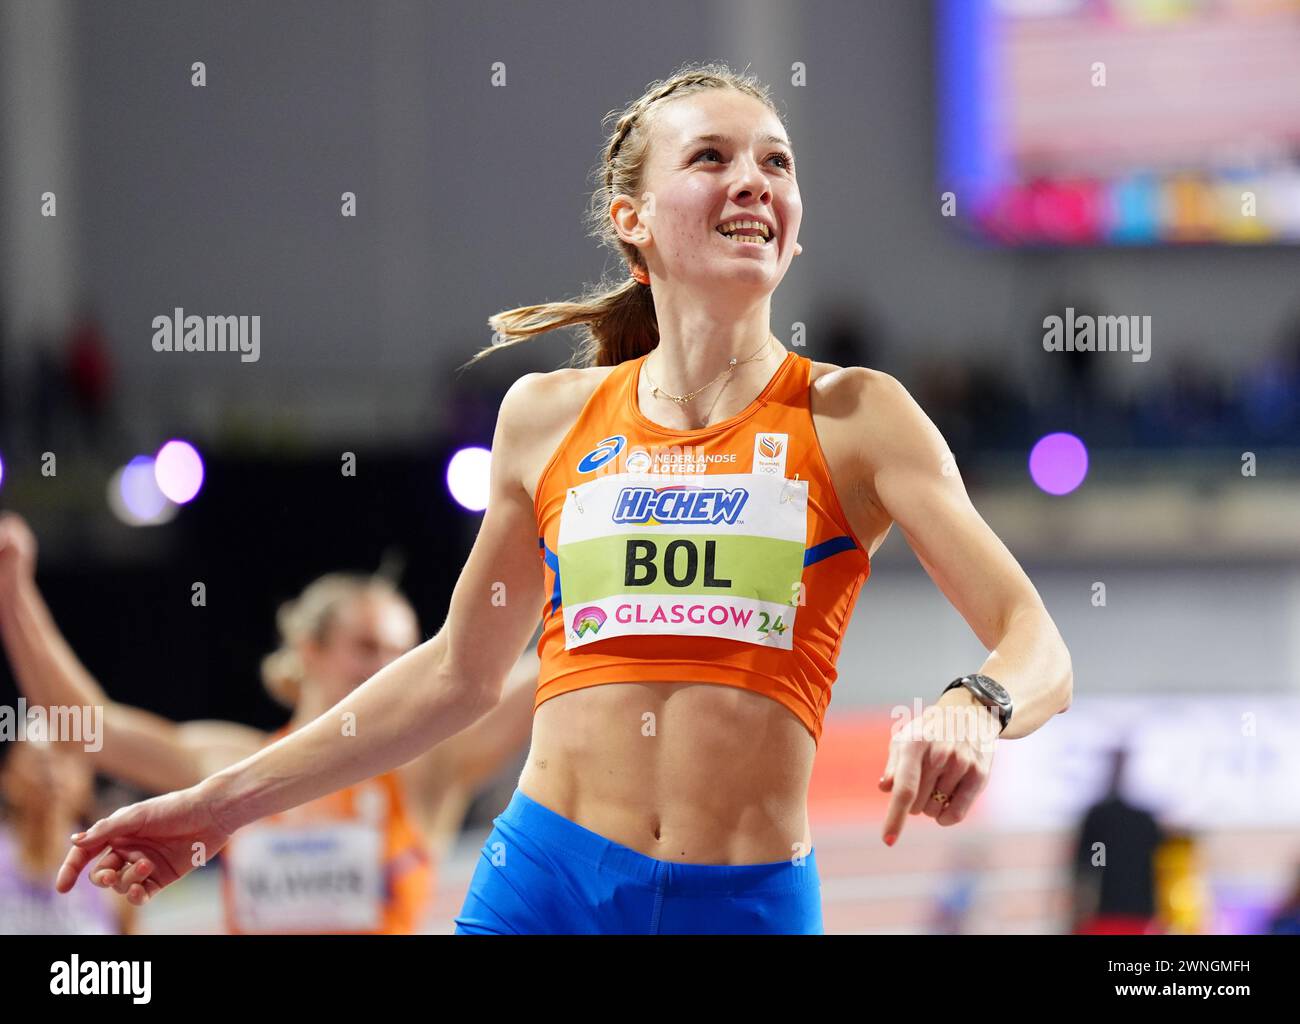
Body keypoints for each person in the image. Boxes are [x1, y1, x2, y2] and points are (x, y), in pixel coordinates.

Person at [53, 61, 1073, 935]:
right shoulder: (546, 417)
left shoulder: (856, 417)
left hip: (745, 895)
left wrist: (972, 703)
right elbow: (456, 674)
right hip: (545, 881)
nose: (754, 181)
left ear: (796, 228)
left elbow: (1037, 643)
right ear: (632, 221)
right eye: (711, 157)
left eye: (776, 161)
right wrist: (218, 808)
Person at [0, 512, 536, 933]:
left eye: (402, 651)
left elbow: (550, 670)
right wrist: (12, 588)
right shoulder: (231, 765)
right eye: (367, 646)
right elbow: (84, 727)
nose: (389, 668)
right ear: (309, 650)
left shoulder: (428, 768)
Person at [0, 739, 132, 934]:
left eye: (63, 760)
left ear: (86, 777)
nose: (52, 776)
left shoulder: (110, 868)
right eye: (40, 762)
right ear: (8, 778)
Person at [1070, 746, 1166, 934]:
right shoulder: (1100, 817)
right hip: (1107, 912)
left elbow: (1090, 863)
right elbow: (1090, 863)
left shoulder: (1143, 819)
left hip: (1136, 912)